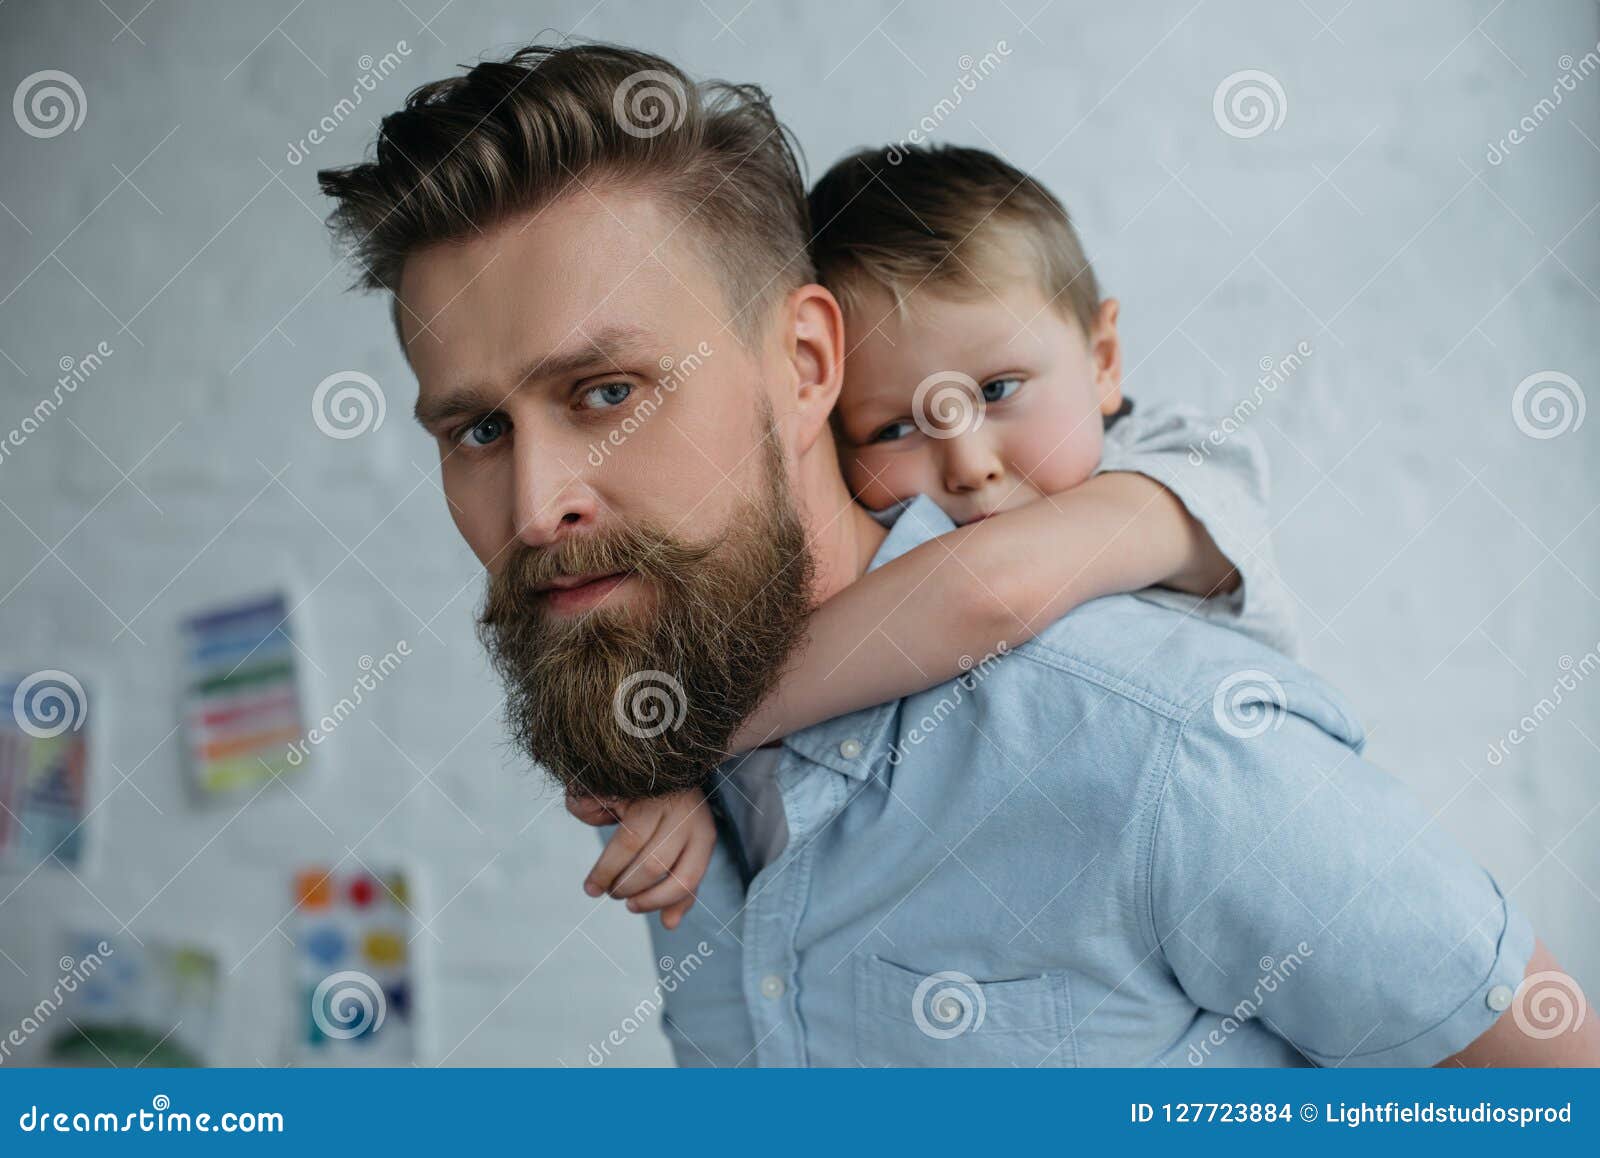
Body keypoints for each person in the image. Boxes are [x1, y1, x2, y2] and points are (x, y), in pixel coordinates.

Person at [320, 41, 1599, 1066]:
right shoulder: (680, 763)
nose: (536, 505)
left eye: (607, 394)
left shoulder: (1159, 740)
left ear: (807, 364)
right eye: (478, 428)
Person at [572, 140, 1302, 928]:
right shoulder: (858, 548)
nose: (970, 465)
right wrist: (675, 782)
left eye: (997, 389)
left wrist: (681, 740)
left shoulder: (1181, 471)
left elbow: (989, 591)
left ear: (1103, 357)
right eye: (893, 428)